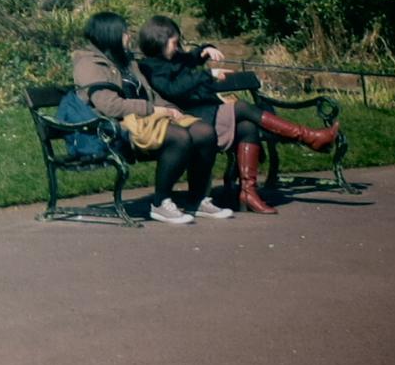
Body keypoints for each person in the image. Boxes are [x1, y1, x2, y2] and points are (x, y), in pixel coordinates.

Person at [133, 15, 341, 215]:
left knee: (247, 128)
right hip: (191, 119)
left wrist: (205, 50)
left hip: (206, 111)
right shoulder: (150, 67)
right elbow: (173, 89)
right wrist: (207, 75)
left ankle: (249, 194)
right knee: (241, 107)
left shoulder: (174, 58)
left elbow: (189, 58)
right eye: (173, 43)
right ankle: (308, 137)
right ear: (158, 42)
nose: (177, 48)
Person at [69, 11, 225, 224]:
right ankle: (160, 203)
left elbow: (151, 94)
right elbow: (110, 106)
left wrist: (170, 108)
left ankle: (197, 199)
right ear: (110, 34)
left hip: (144, 120)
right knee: (178, 137)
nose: (129, 37)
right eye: (125, 33)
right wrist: (152, 110)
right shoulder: (90, 64)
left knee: (204, 132)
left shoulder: (127, 62)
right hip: (117, 128)